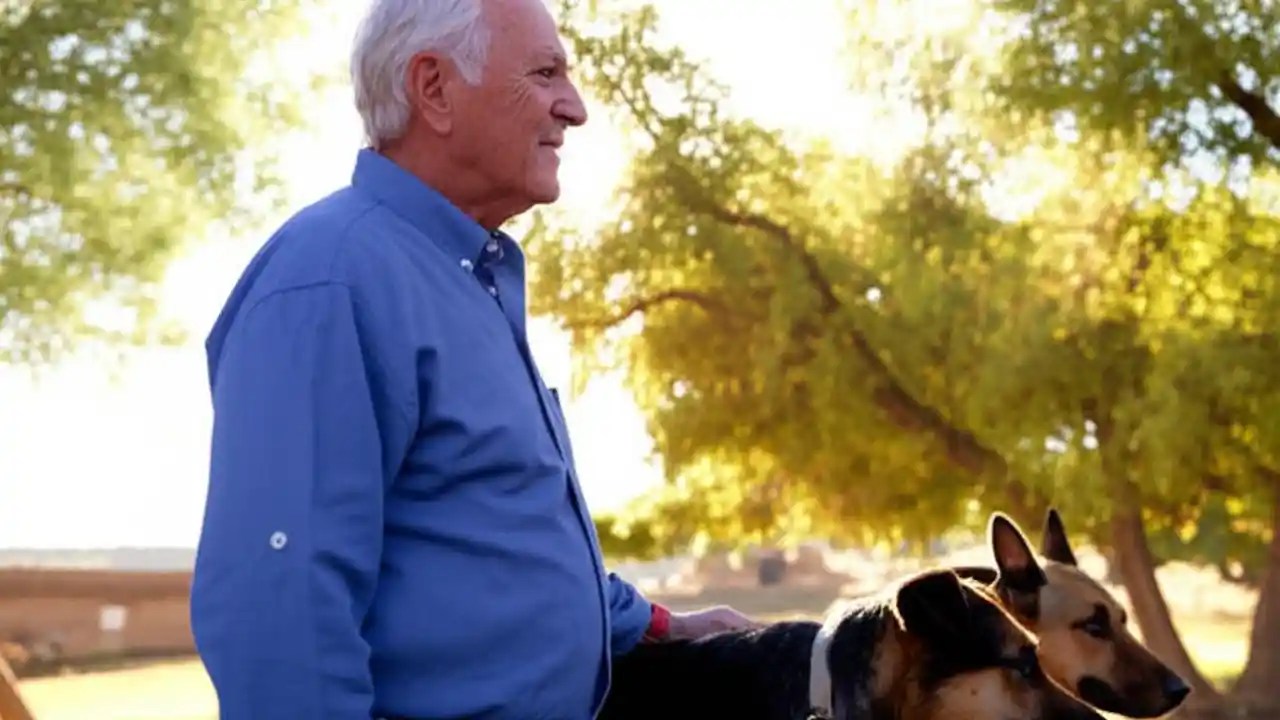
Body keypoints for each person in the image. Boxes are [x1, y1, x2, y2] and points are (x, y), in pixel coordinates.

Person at [189, 0, 760, 718]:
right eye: (545, 72)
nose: (574, 107)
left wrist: (649, 626)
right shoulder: (331, 279)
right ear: (433, 89)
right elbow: (278, 611)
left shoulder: (464, 277)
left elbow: (491, 530)